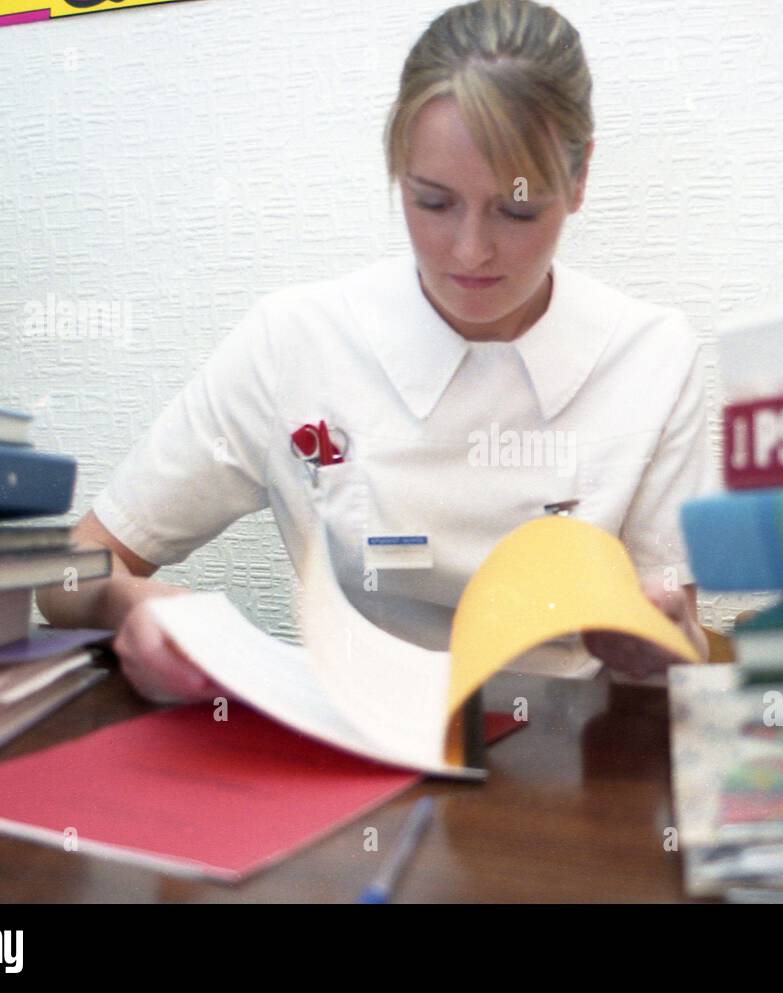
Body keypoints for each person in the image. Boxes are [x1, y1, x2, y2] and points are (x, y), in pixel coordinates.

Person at [37, 0, 712, 703]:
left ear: (578, 179)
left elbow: (670, 639)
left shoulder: (652, 358)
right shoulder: (296, 340)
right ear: (398, 172)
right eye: (432, 202)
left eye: (516, 209)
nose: (470, 251)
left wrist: (672, 645)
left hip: (554, 778)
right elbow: (63, 575)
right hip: (351, 756)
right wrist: (133, 604)